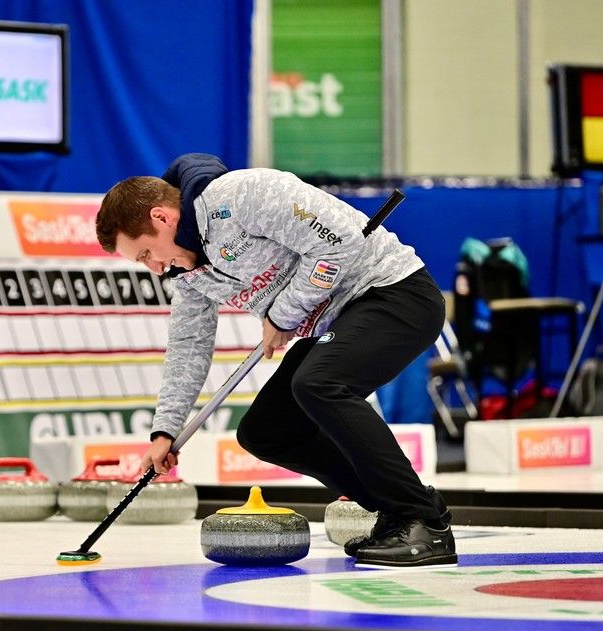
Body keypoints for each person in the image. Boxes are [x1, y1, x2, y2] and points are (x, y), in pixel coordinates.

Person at [95, 153, 456, 568]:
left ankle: (421, 523)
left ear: (161, 218)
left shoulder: (242, 196)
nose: (155, 268)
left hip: (394, 292)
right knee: (266, 431)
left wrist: (281, 314)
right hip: (336, 320)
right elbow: (188, 346)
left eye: (145, 255)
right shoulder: (187, 273)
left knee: (319, 383)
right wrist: (165, 430)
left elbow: (341, 241)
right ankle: (399, 507)